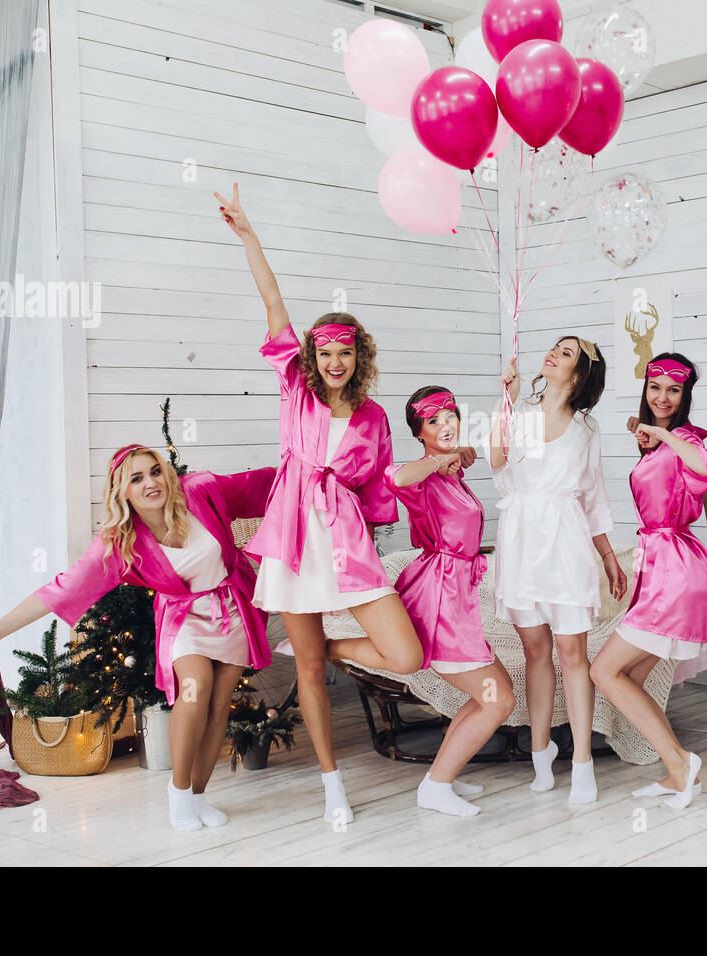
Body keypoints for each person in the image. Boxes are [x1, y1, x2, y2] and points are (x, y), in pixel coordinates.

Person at [216, 183, 422, 825]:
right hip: (295, 538)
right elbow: (273, 302)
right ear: (313, 357)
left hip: (349, 542)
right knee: (306, 665)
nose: (334, 361)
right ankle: (333, 783)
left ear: (359, 358)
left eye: (345, 352)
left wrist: (439, 467)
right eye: (325, 352)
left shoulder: (375, 418)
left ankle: (327, 652)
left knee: (407, 655)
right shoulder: (295, 391)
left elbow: (382, 487)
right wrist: (249, 235)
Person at [0, 446, 276, 831]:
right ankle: (179, 792)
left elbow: (266, 485)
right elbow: (61, 589)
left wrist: (318, 470)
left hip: (231, 608)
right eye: (137, 479)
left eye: (154, 472)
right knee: (195, 688)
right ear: (123, 493)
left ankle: (199, 796)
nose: (151, 483)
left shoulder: (201, 490)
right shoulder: (120, 544)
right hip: (184, 618)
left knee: (219, 705)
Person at [489, 337, 626, 804]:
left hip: (566, 543)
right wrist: (503, 398)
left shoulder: (587, 431)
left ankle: (583, 761)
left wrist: (608, 557)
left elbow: (595, 499)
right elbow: (496, 460)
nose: (553, 354)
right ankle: (540, 753)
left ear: (580, 374)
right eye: (554, 348)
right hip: (521, 541)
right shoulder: (519, 411)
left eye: (566, 353)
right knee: (535, 652)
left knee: (572, 653)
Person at [590, 354, 707, 809]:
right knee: (627, 675)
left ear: (685, 397)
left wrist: (663, 433)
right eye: (655, 388)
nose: (663, 397)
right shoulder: (656, 442)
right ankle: (675, 771)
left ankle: (682, 764)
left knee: (603, 670)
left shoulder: (683, 437)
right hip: (662, 568)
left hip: (678, 572)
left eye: (673, 390)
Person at [386, 386, 515, 816]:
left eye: (450, 417)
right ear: (419, 432)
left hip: (459, 596)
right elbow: (395, 478)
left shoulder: (450, 475)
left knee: (491, 695)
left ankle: (440, 776)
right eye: (433, 421)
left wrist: (453, 460)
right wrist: (441, 458)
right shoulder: (422, 476)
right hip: (441, 599)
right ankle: (437, 786)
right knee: (498, 700)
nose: (445, 426)